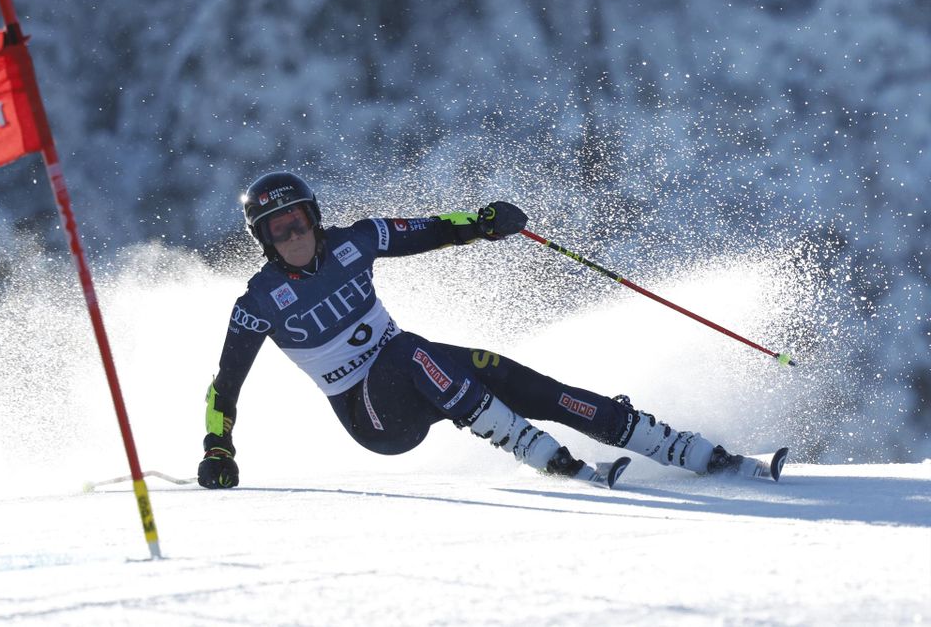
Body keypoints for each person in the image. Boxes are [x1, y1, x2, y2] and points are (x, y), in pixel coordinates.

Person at [197, 171, 752, 489]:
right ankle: (540, 453)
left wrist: (484, 225)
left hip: (420, 374)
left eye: (297, 220)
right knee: (411, 350)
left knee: (512, 377)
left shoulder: (357, 240)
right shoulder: (259, 301)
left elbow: (432, 230)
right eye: (277, 229)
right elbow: (224, 386)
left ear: (314, 217)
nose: (291, 234)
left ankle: (676, 446)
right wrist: (218, 448)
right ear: (263, 241)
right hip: (373, 417)